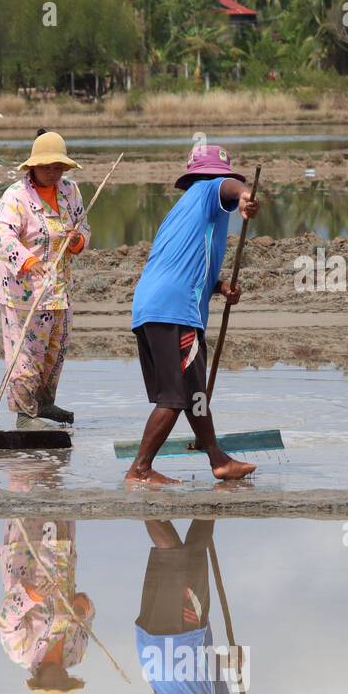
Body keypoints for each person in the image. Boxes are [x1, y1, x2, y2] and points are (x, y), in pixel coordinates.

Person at [125, 145, 260, 485]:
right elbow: (223, 187)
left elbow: (184, 266)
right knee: (175, 396)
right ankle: (139, 470)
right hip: (175, 311)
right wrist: (243, 193)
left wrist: (220, 286)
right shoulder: (207, 191)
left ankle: (218, 459)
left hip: (157, 307)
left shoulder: (185, 211)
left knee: (195, 392)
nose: (228, 191)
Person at [134, 519, 266, 694]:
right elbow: (203, 674)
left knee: (173, 554)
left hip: (173, 642)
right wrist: (227, 661)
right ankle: (209, 502)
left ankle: (142, 496)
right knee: (194, 553)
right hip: (173, 644)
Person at [0, 129, 91, 431]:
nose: (54, 172)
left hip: (59, 290)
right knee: (26, 354)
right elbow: (2, 233)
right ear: (33, 166)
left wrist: (76, 241)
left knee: (54, 350)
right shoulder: (15, 196)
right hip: (24, 294)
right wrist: (28, 260)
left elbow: (84, 227)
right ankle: (25, 415)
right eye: (48, 167)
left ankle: (44, 403)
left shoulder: (70, 191)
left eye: (58, 167)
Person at [0, 461, 93, 694]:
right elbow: (87, 608)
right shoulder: (75, 654)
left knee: (24, 490)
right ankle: (51, 452)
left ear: (42, 684)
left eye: (55, 686)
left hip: (26, 557)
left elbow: (6, 620)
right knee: (55, 487)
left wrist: (33, 596)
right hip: (61, 556)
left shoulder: (21, 652)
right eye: (65, 685)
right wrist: (80, 610)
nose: (61, 680)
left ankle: (22, 448)